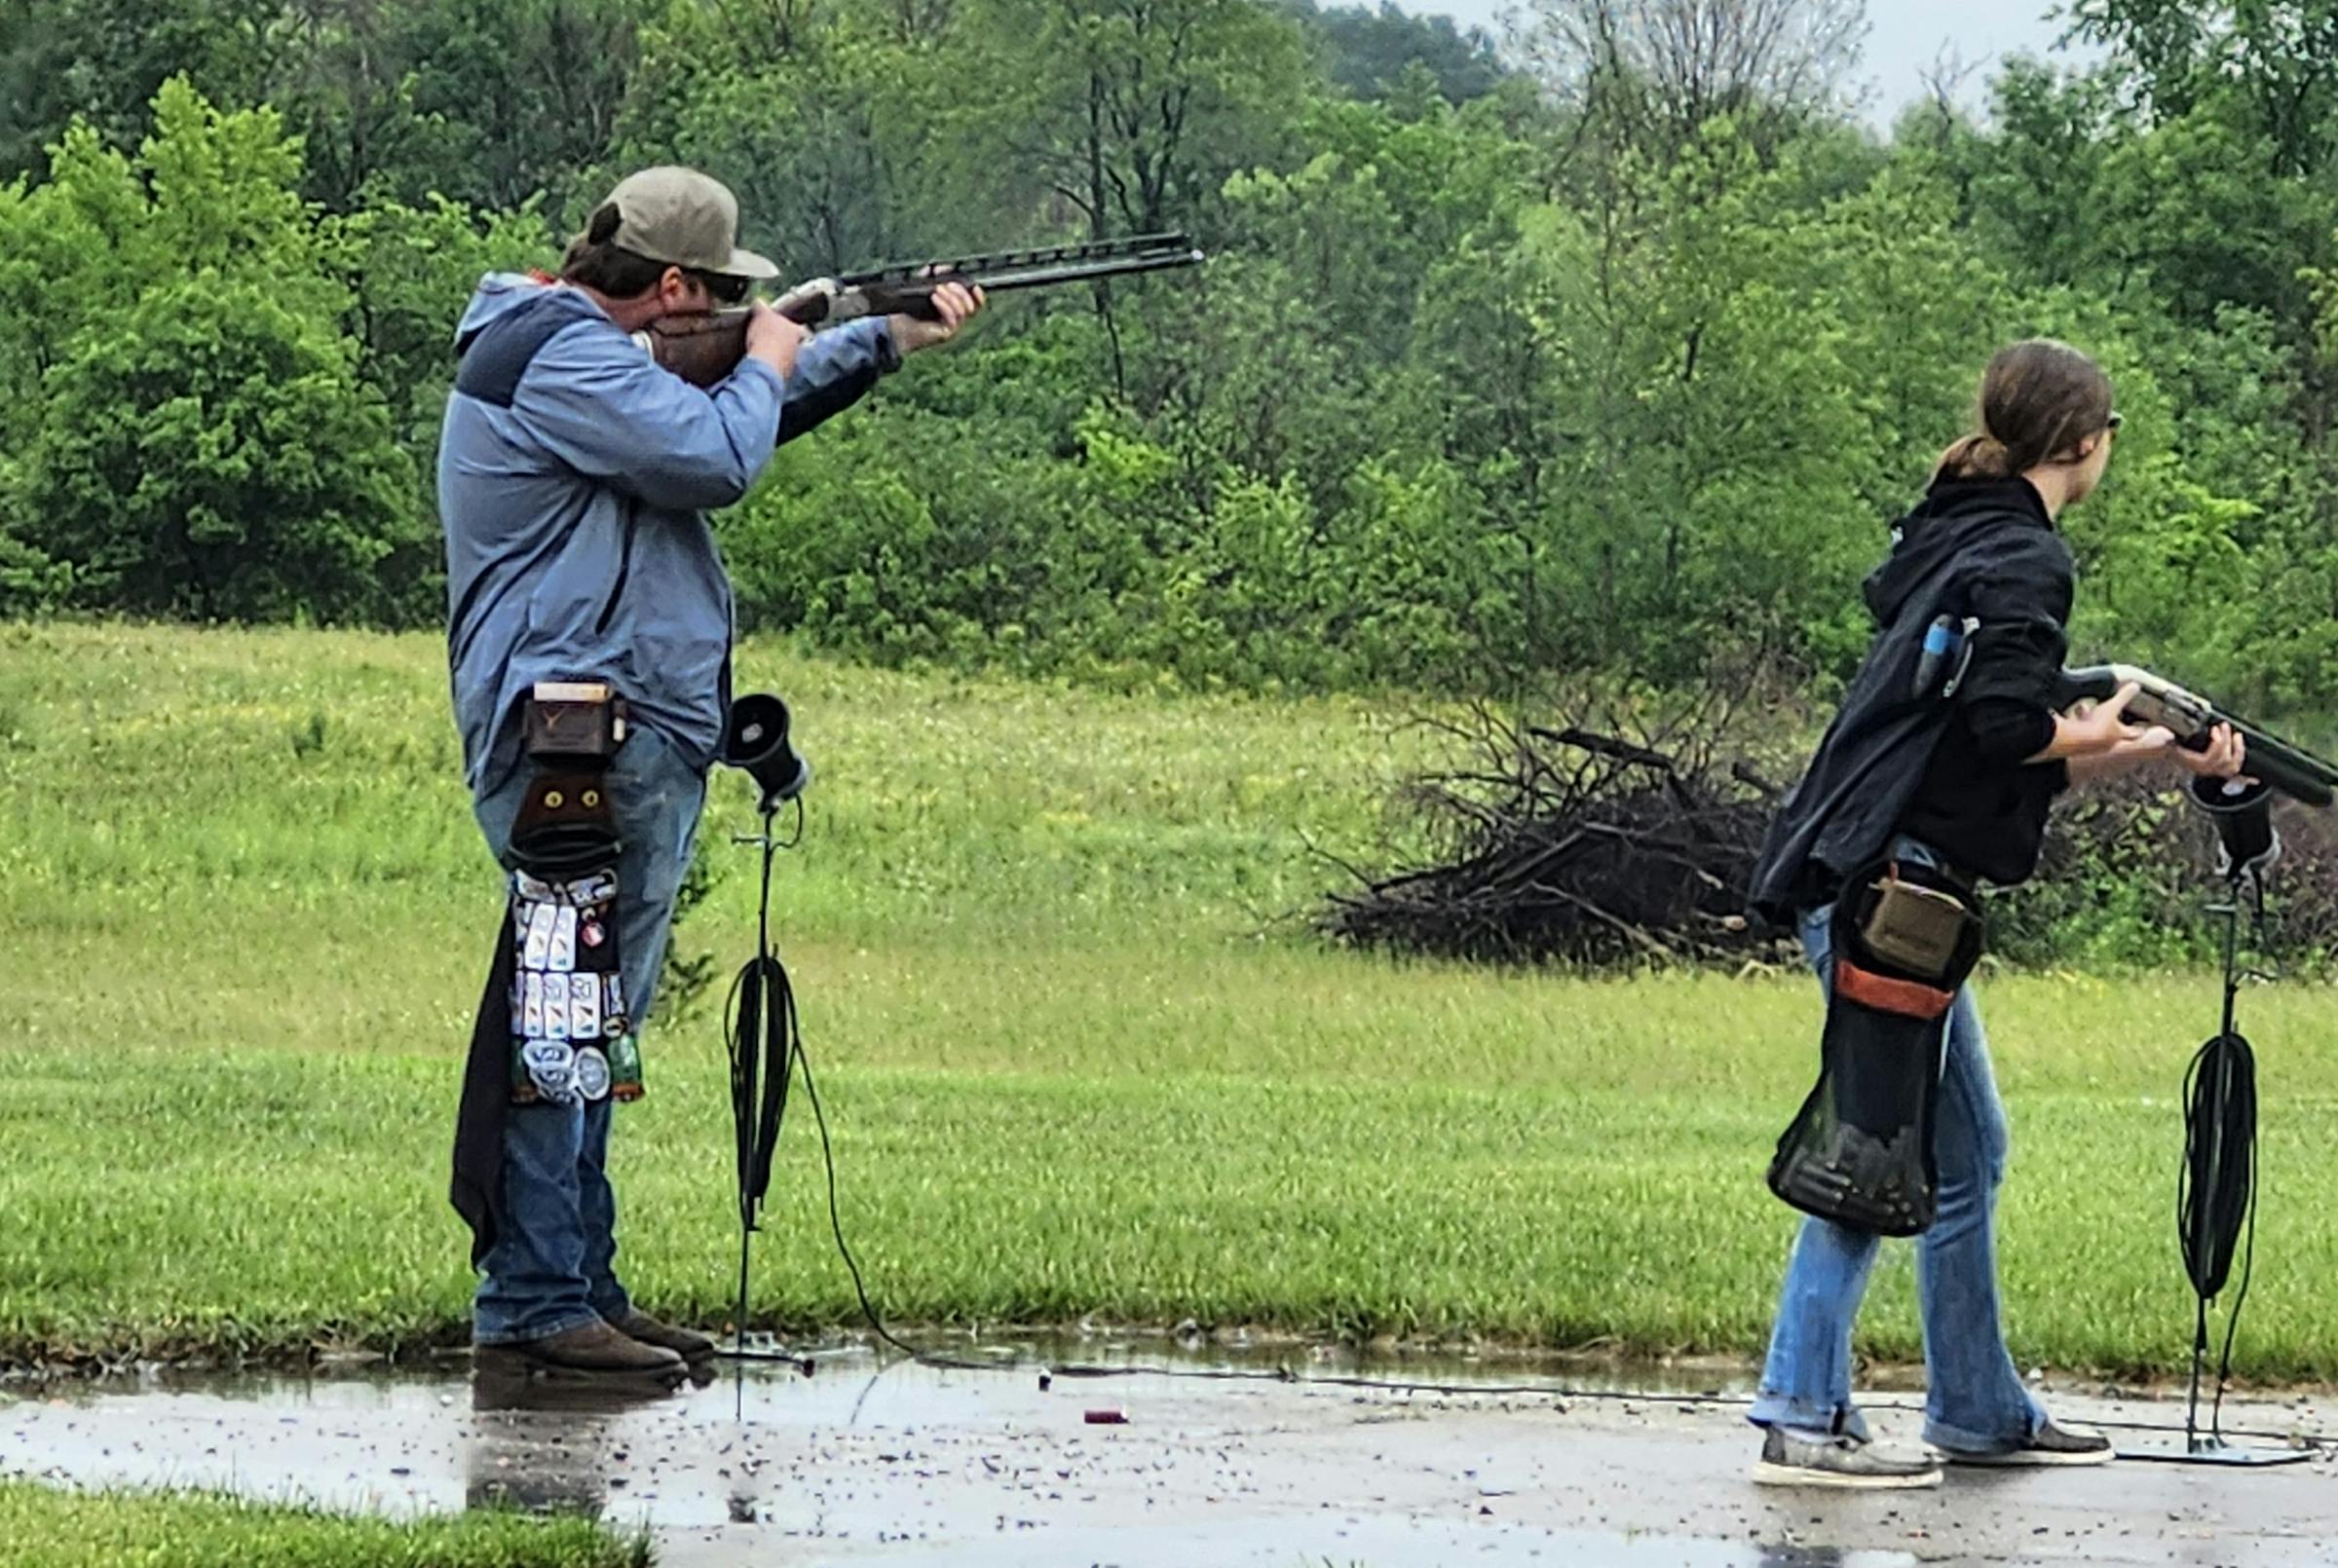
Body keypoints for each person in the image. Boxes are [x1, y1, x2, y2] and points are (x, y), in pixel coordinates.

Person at [437, 166, 982, 1381]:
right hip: (576, 743)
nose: (736, 313)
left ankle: (578, 1284)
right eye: (725, 296)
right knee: (565, 1017)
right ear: (674, 286)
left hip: (613, 733)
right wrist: (781, 347)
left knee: (590, 1017)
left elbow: (735, 411)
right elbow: (719, 450)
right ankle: (533, 1299)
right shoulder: (562, 356)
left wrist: (879, 340)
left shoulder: (587, 355)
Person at [1744, 338, 2248, 1487]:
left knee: (1963, 1153)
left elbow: (1981, 753)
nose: (2110, 445)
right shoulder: (2022, 555)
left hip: (1886, 873)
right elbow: (2007, 728)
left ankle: (1974, 1405)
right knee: (1873, 1152)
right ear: (2080, 442)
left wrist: (2126, 746)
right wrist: (2120, 733)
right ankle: (1799, 1414)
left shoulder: (1957, 529)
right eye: (2109, 427)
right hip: (1892, 889)